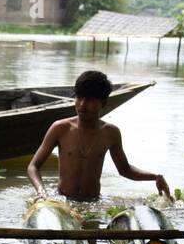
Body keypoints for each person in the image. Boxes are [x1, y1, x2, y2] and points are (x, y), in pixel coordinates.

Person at [27, 70, 171, 202]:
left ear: (104, 103)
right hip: (63, 200)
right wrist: (41, 191)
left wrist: (155, 176)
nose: (82, 105)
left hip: (93, 202)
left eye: (89, 100)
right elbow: (33, 166)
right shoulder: (60, 128)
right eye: (79, 97)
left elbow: (125, 169)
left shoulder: (110, 133)